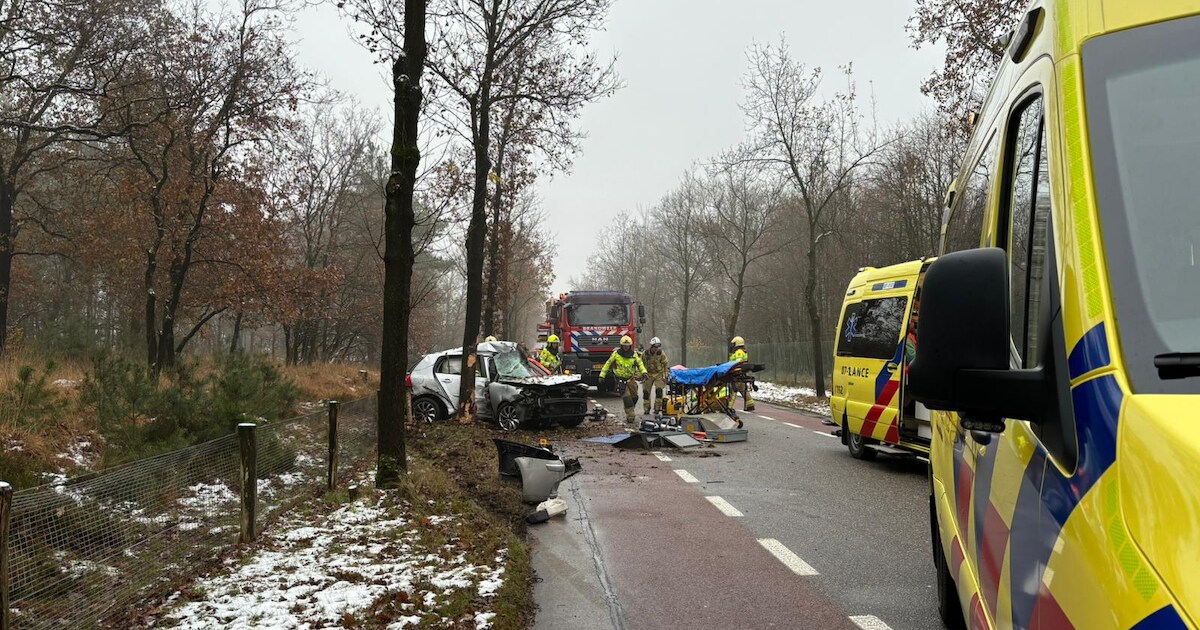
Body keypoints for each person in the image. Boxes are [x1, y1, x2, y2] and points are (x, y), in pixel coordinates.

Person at [599, 335, 647, 423]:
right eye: (624, 346)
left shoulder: (634, 355)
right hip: (620, 380)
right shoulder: (616, 354)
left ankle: (629, 407)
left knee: (634, 397)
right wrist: (602, 375)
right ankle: (630, 415)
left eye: (627, 346)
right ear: (621, 346)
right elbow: (608, 364)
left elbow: (640, 364)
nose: (626, 347)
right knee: (627, 398)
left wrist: (644, 372)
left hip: (631, 379)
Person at [640, 337, 669, 414]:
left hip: (658, 374)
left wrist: (665, 374)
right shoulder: (645, 354)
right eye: (655, 347)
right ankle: (646, 408)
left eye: (657, 347)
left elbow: (665, 364)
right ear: (651, 346)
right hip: (648, 374)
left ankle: (657, 408)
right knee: (646, 392)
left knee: (659, 391)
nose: (656, 349)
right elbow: (640, 364)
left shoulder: (661, 353)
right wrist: (641, 374)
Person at [729, 335, 755, 412]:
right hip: (741, 373)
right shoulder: (743, 351)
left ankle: (729, 407)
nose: (732, 346)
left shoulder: (739, 352)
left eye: (734, 344)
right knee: (743, 389)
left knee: (733, 389)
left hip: (736, 373)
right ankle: (750, 404)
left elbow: (738, 362)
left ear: (737, 343)